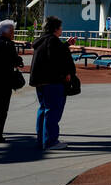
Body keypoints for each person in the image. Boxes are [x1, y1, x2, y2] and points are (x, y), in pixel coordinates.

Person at [29, 16, 76, 151]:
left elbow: (53, 53)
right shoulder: (53, 41)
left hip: (40, 81)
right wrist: (65, 74)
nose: (62, 29)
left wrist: (66, 44)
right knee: (53, 111)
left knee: (43, 110)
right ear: (56, 28)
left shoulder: (42, 41)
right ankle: (50, 141)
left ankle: (42, 138)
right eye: (60, 27)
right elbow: (55, 59)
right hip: (52, 81)